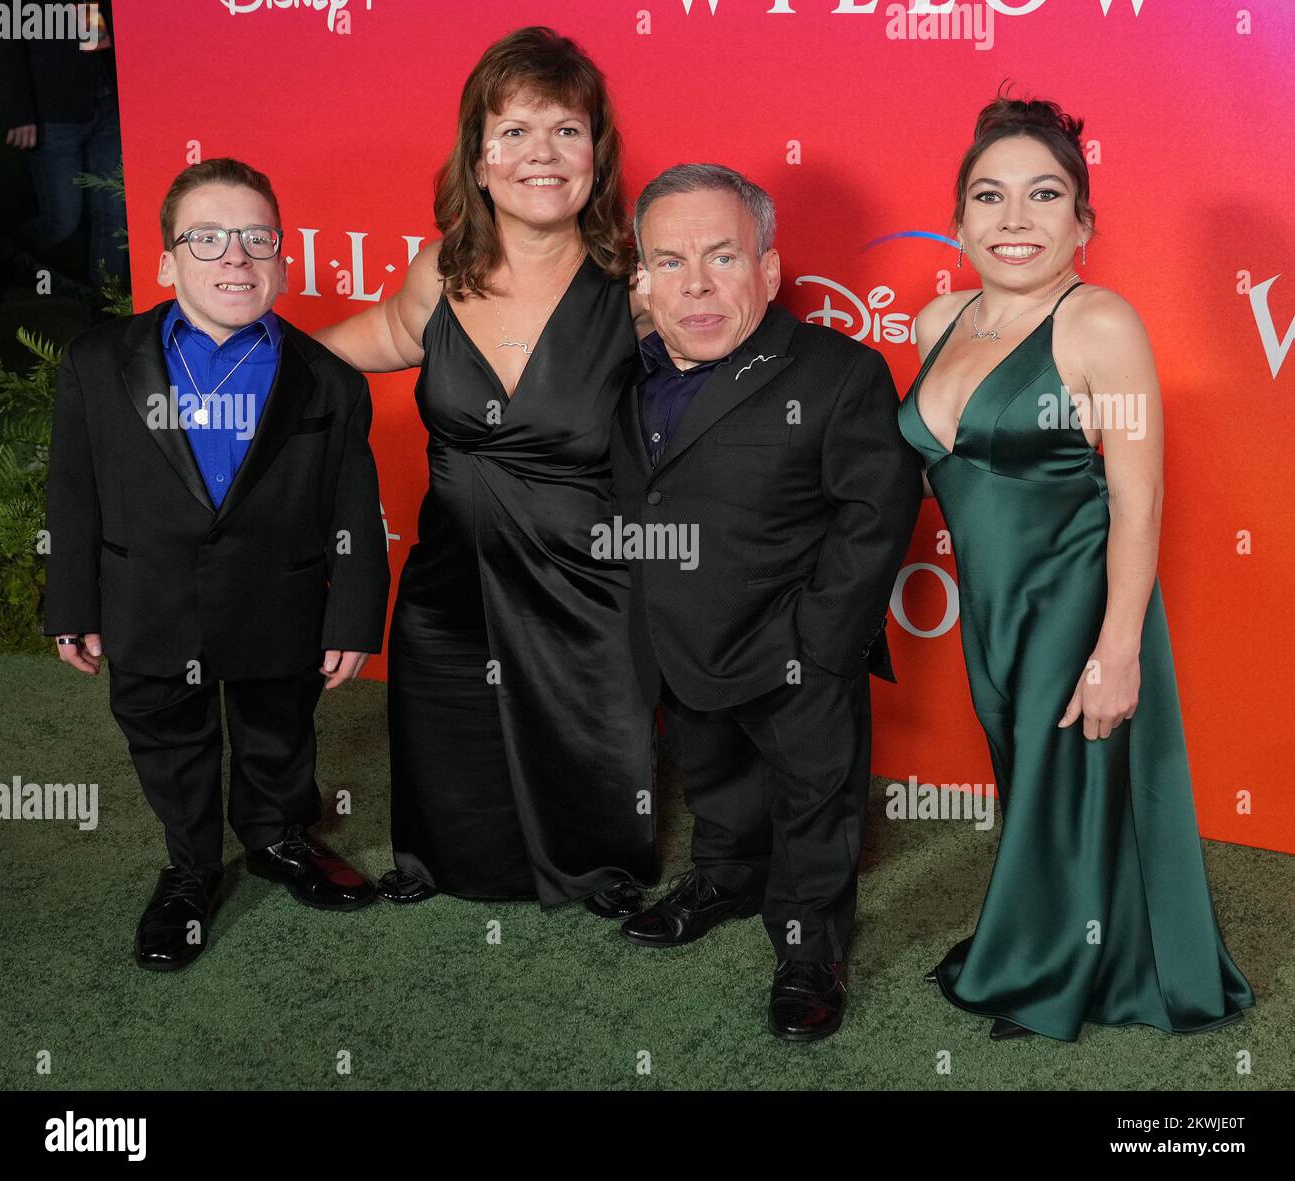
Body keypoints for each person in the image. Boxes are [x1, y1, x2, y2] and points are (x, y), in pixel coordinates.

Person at [898, 93, 1255, 1040]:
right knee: (1034, 781)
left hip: (1077, 602)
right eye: (990, 195)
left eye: (1044, 195)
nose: (1014, 220)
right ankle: (1062, 949)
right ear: (959, 216)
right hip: (989, 610)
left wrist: (1119, 648)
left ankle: (1061, 971)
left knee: (1073, 783)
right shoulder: (939, 316)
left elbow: (1138, 502)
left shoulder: (1100, 325)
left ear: (1082, 222)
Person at [313, 27, 657, 915]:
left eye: (566, 131)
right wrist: (256, 367)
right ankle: (442, 860)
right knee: (449, 720)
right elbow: (383, 337)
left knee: (588, 747)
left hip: (586, 578)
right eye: (514, 131)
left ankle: (592, 864)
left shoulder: (636, 284)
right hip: (452, 567)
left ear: (596, 152)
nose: (540, 155)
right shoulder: (442, 267)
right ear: (477, 154)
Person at [43, 157, 390, 971]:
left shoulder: (330, 380)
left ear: (282, 257)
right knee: (167, 735)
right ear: (167, 262)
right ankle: (190, 866)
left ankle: (275, 838)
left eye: (256, 237)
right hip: (148, 599)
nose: (235, 256)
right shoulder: (99, 361)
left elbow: (354, 507)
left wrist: (352, 614)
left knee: (278, 732)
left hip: (281, 600)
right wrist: (71, 601)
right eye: (207, 238)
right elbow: (73, 490)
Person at [609, 164, 924, 1041]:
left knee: (815, 807)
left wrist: (821, 645)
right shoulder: (622, 371)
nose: (697, 285)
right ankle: (724, 877)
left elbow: (876, 513)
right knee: (715, 781)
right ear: (641, 279)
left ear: (770, 269)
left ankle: (809, 951)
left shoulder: (837, 373)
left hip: (795, 650)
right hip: (677, 640)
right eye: (669, 262)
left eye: (722, 257)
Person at [0, 0, 129, 289]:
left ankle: (108, 306)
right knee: (62, 222)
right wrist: (20, 114)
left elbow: (106, 24)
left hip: (107, 104)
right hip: (54, 116)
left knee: (114, 214)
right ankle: (6, 260)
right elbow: (6, 45)